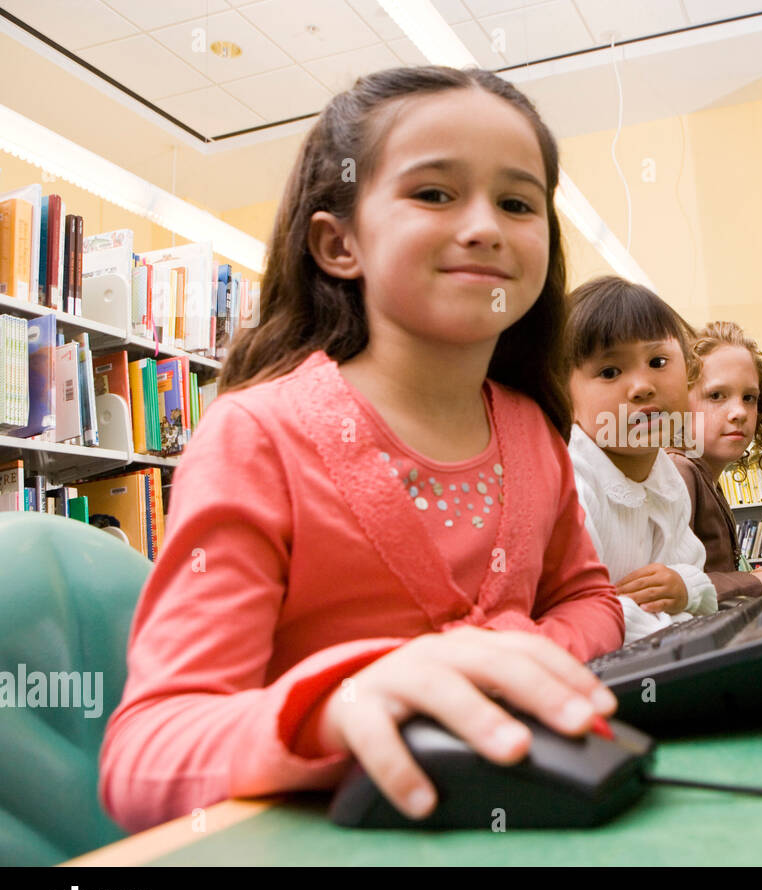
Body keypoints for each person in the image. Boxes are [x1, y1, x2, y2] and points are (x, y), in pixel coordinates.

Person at [99, 67, 624, 834]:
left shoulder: (534, 430)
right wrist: (338, 706)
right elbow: (145, 754)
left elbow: (589, 599)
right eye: (434, 194)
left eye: (518, 203)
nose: (484, 226)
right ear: (339, 242)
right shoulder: (257, 437)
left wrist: (521, 653)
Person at [564, 276, 718, 644]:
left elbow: (695, 573)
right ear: (563, 394)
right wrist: (684, 637)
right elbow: (584, 611)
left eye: (658, 361)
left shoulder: (667, 478)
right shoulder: (570, 479)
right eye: (610, 372)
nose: (642, 386)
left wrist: (683, 587)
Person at [669, 321, 762, 602]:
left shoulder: (702, 473)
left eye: (749, 398)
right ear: (679, 402)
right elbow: (673, 587)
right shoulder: (679, 470)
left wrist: (751, 576)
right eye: (716, 395)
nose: (739, 412)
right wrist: (751, 581)